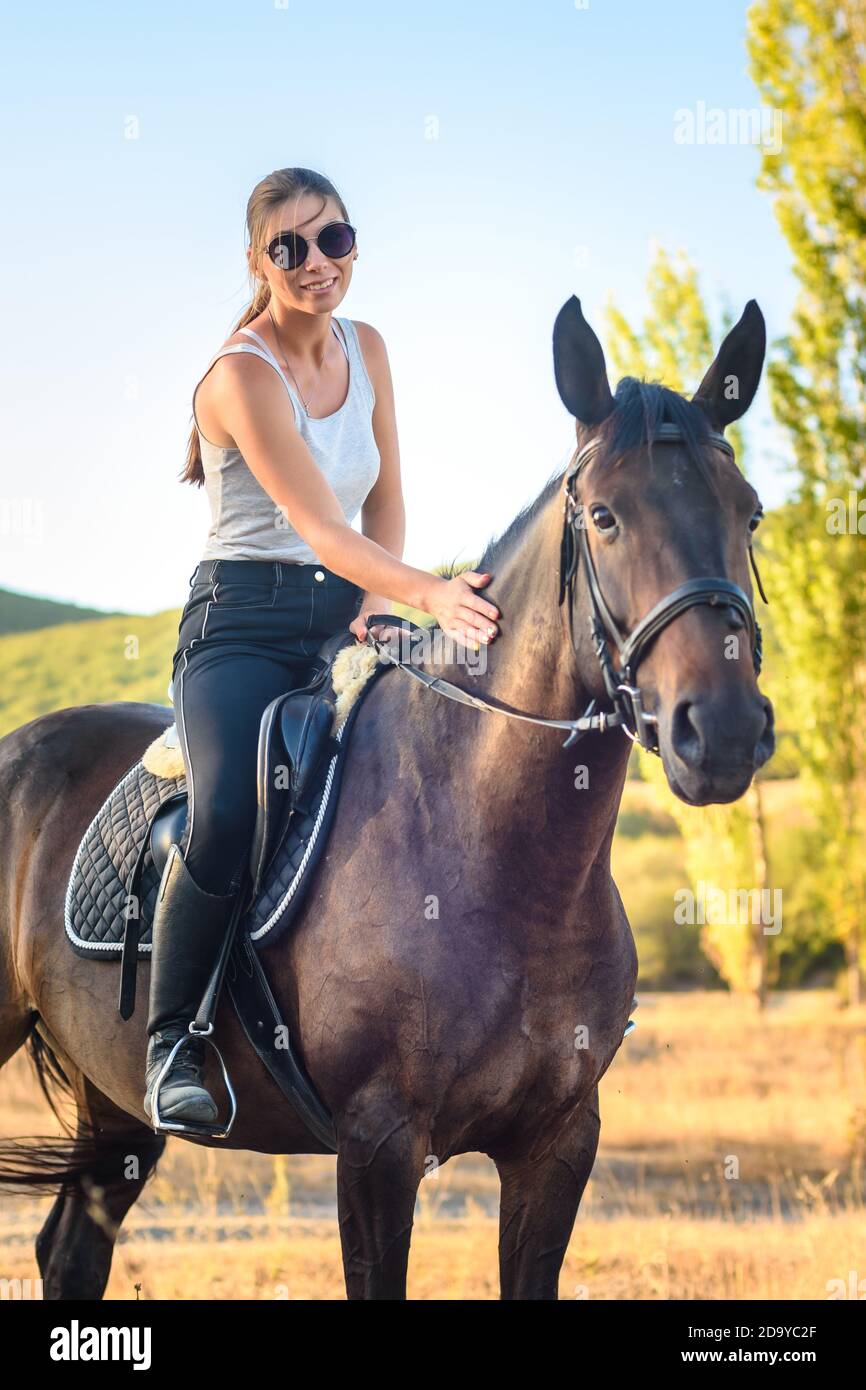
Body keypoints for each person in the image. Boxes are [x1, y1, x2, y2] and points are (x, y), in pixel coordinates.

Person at [144, 167, 501, 1130]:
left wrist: (385, 608)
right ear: (257, 262)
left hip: (346, 610)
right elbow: (317, 521)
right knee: (226, 807)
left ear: (354, 243)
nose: (315, 264)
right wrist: (424, 592)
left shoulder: (368, 347)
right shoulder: (238, 376)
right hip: (241, 629)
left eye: (332, 239)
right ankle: (172, 1040)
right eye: (289, 247)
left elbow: (381, 499)